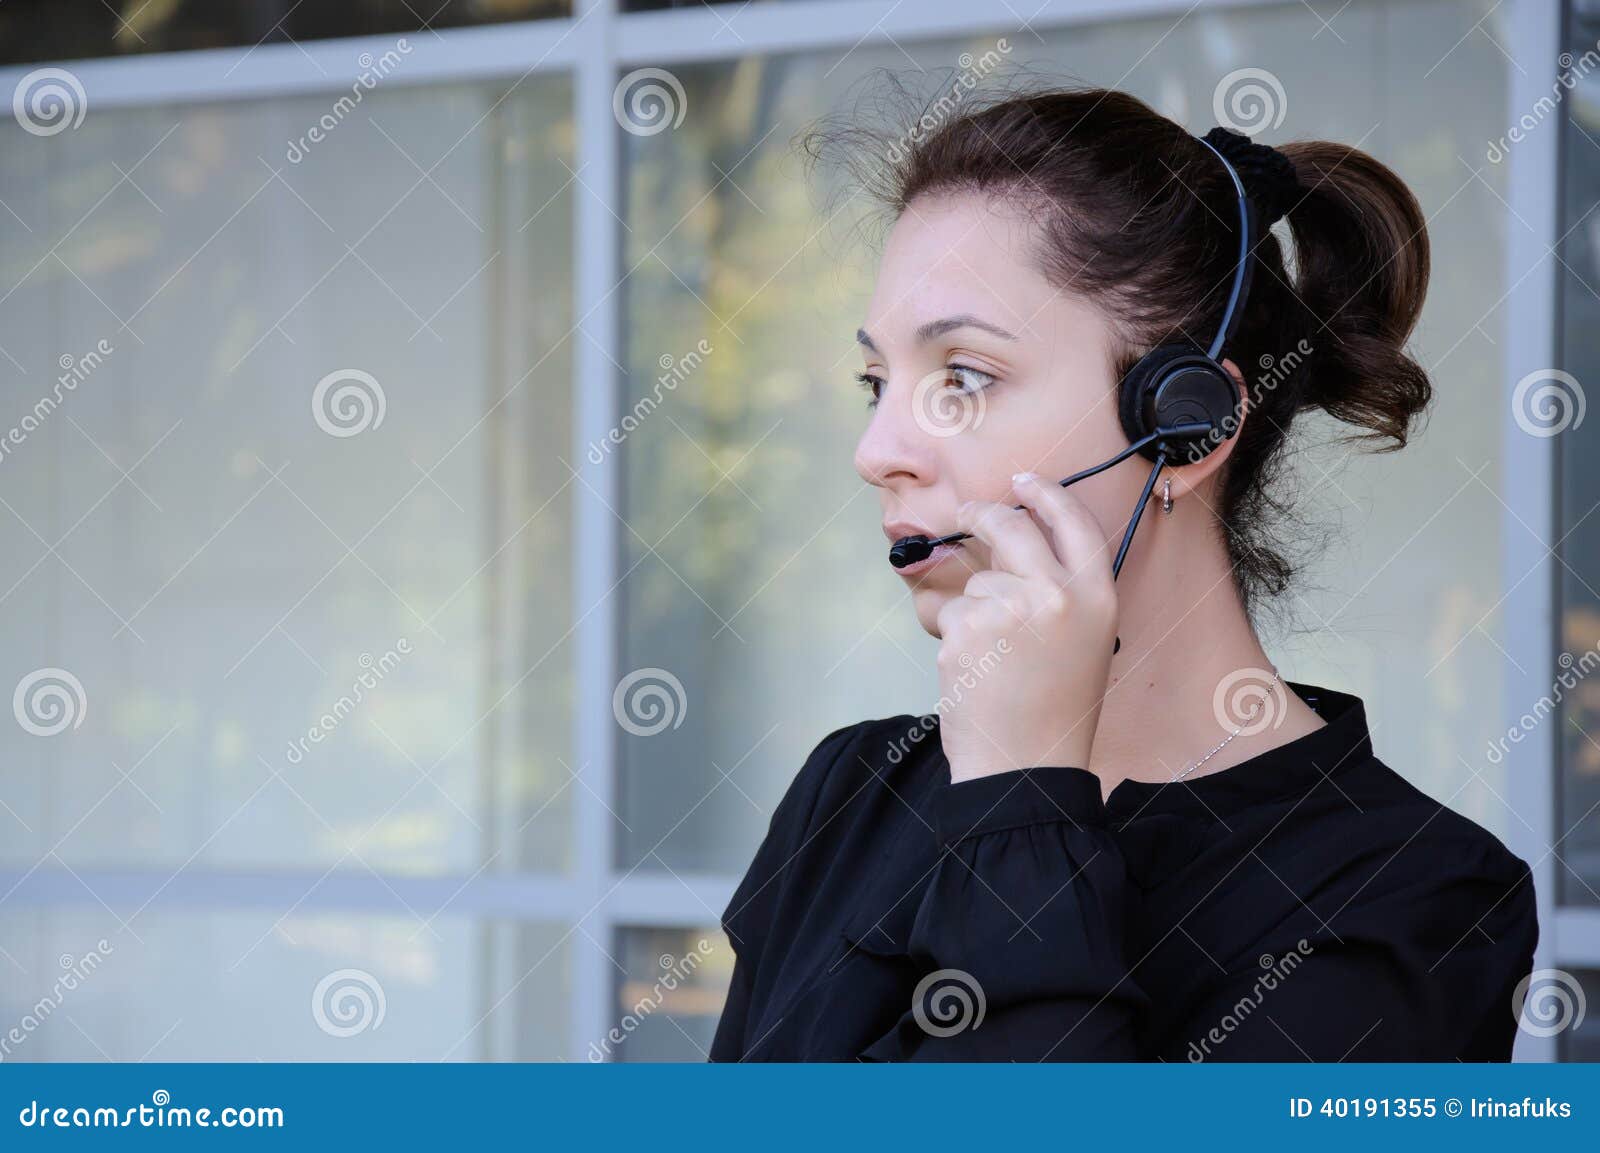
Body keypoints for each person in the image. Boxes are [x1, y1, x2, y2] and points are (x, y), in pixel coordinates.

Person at [708, 84, 1539, 1062]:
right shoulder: (851, 794)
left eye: (962, 378)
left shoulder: (1413, 899)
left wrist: (1021, 797)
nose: (877, 451)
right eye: (876, 384)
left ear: (1188, 425)